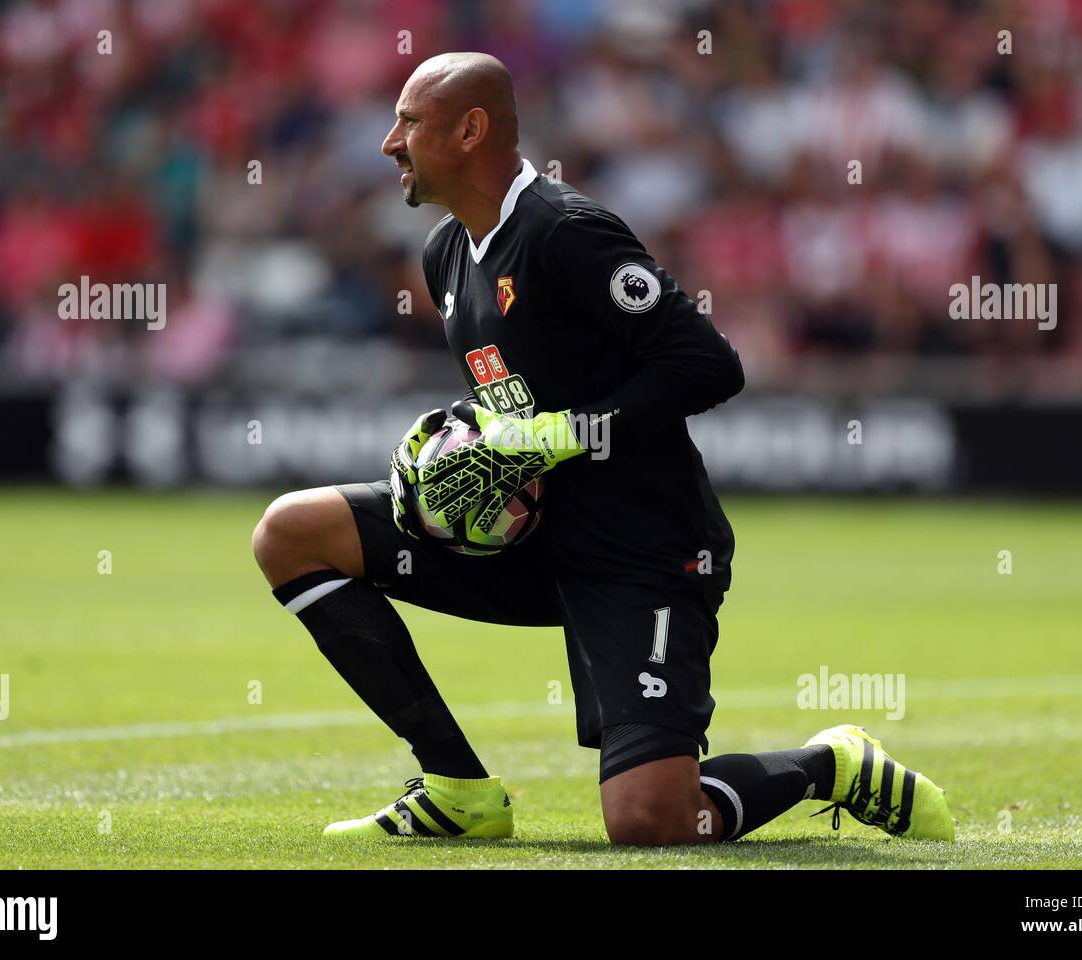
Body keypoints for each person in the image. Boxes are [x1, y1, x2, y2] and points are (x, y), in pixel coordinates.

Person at [252, 53, 953, 844]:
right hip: (534, 543)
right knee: (291, 533)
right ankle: (456, 790)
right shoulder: (446, 253)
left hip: (641, 550)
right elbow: (522, 395)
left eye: (409, 122)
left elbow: (708, 364)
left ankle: (832, 763)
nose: (389, 143)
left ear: (471, 129)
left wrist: (565, 434)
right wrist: (463, 447)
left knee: (651, 822)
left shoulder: (565, 230)